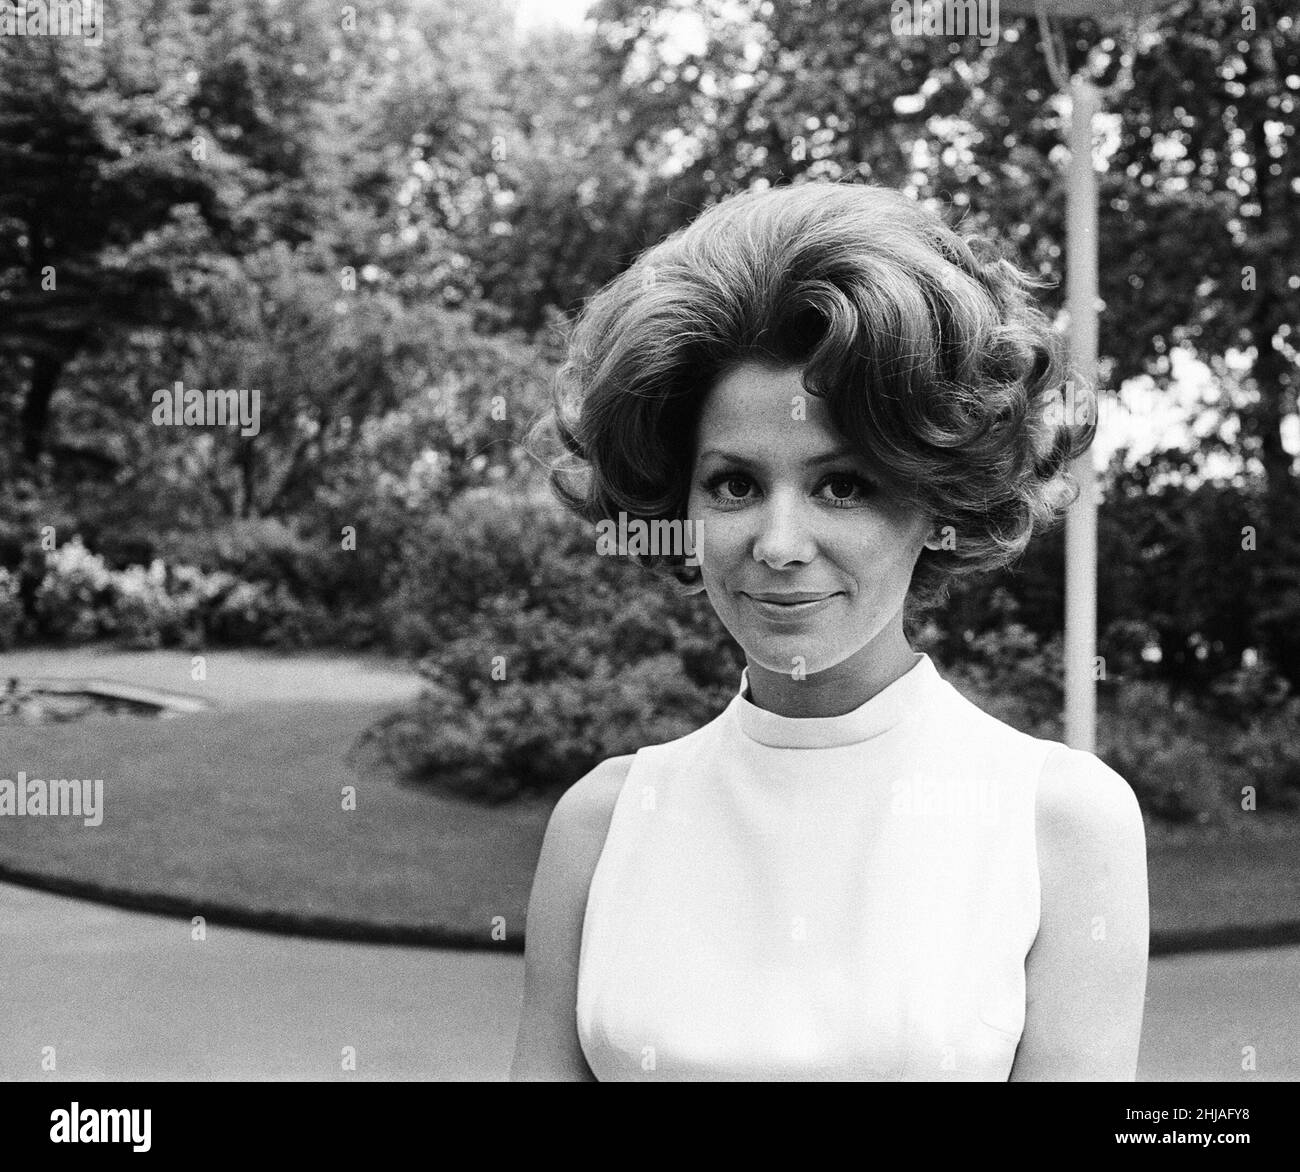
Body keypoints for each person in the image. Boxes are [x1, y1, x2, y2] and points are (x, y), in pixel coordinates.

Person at [510, 180, 1149, 1081]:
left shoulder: (1062, 825)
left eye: (842, 485)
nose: (777, 545)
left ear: (936, 500)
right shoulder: (603, 824)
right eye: (733, 483)